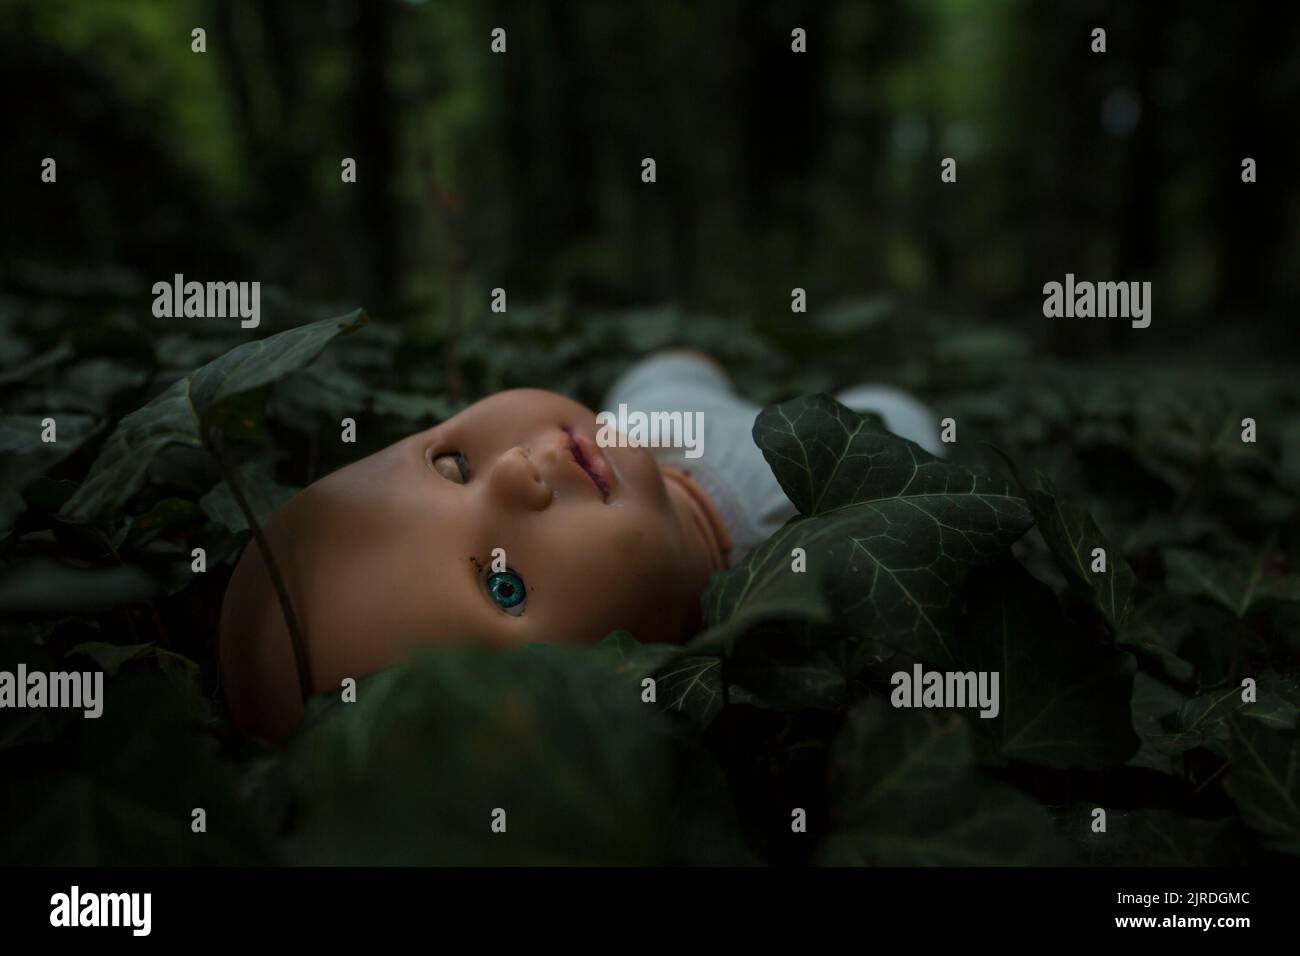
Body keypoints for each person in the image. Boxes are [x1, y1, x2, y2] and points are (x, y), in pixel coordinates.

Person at [218, 351, 941, 742]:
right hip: (814, 455)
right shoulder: (804, 546)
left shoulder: (615, 428)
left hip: (661, 415)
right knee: (892, 417)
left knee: (664, 375)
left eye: (451, 466)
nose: (512, 473)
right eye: (508, 587)